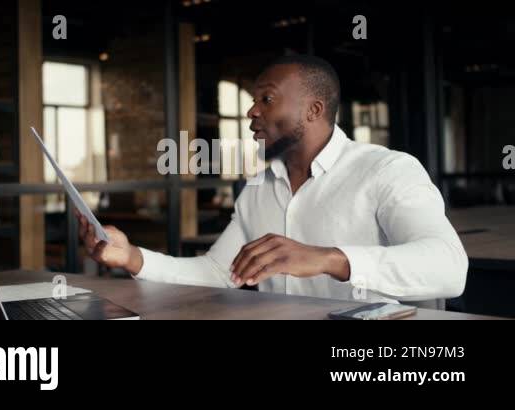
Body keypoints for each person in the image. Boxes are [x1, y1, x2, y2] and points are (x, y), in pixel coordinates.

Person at [77, 55, 467, 303]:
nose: (251, 111)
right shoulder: (258, 187)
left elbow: (449, 267)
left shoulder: (388, 170)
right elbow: (217, 272)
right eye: (252, 100)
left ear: (313, 110)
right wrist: (129, 256)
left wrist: (328, 259)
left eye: (266, 99)